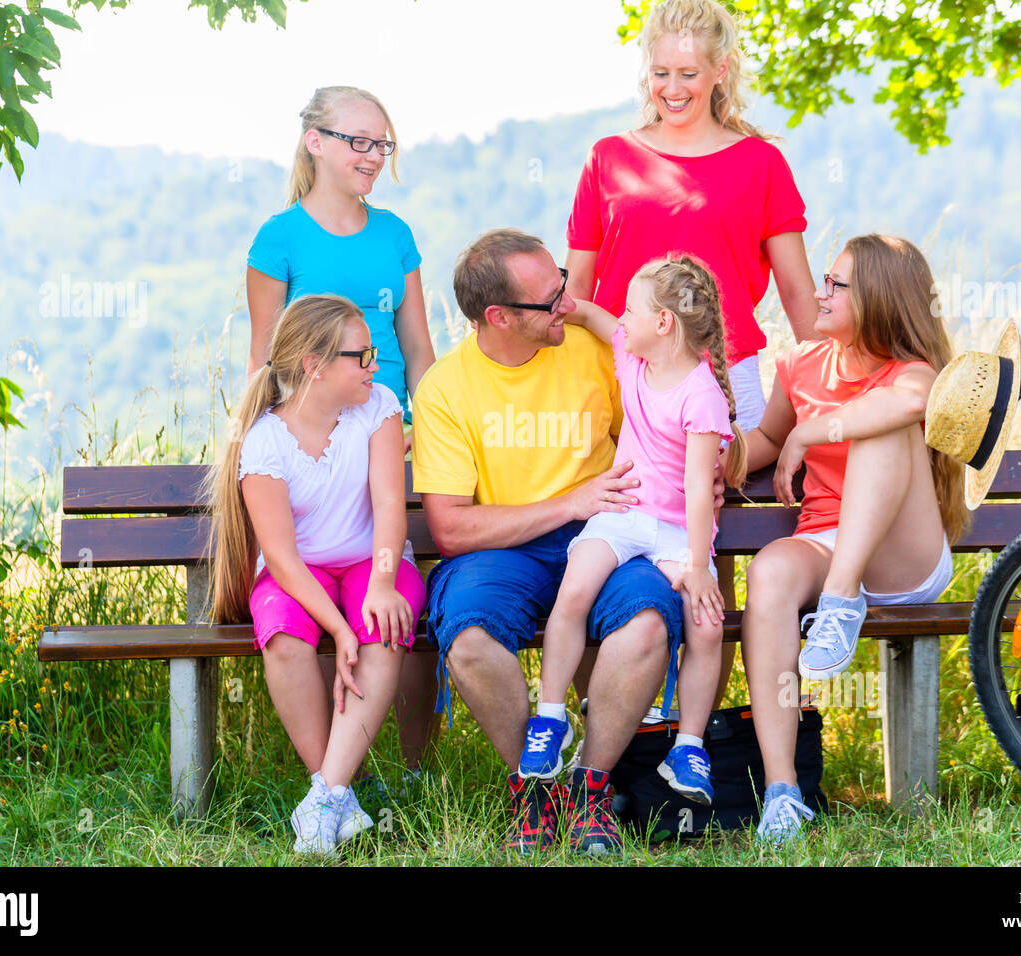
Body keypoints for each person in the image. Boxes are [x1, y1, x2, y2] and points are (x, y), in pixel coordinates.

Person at [412, 229, 692, 855]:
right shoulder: (446, 389)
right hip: (502, 551)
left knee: (647, 622)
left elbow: (660, 435)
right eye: (549, 299)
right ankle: (534, 790)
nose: (568, 302)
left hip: (608, 533)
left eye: (563, 282)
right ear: (499, 317)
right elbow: (453, 529)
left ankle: (590, 787)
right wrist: (567, 502)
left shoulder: (596, 351)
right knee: (470, 638)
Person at [740, 234, 969, 842]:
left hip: (900, 557)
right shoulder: (800, 365)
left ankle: (841, 601)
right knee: (767, 572)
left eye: (836, 284)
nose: (819, 291)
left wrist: (814, 430)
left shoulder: (914, 372)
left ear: (879, 300)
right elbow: (764, 440)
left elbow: (905, 406)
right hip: (825, 538)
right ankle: (783, 791)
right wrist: (711, 455)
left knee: (883, 423)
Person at [245, 85, 437, 771]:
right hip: (316, 436)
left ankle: (417, 774)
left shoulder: (395, 235)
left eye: (382, 144)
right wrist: (272, 444)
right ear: (315, 141)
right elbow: (264, 358)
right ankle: (339, 782)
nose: (373, 156)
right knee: (319, 602)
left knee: (398, 607)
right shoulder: (279, 238)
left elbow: (417, 350)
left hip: (390, 437)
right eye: (359, 141)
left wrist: (429, 432)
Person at [517, 255, 747, 810]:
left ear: (664, 323)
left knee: (706, 624)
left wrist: (698, 565)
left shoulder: (702, 396)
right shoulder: (633, 355)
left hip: (674, 530)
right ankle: (550, 719)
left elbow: (698, 491)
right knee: (575, 589)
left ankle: (689, 746)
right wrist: (569, 311)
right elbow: (601, 321)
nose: (623, 319)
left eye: (633, 309)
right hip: (623, 513)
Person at [208, 294, 426, 855]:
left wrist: (381, 581)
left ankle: (325, 798)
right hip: (300, 575)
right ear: (314, 364)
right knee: (282, 636)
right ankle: (336, 795)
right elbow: (280, 559)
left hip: (369, 562)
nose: (375, 365)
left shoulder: (378, 408)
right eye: (362, 355)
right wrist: (337, 628)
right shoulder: (264, 441)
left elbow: (389, 511)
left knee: (386, 621)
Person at [566, 0, 819, 433]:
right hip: (618, 377)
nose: (672, 88)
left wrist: (826, 391)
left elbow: (797, 291)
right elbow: (577, 288)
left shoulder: (761, 163)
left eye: (688, 74)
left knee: (729, 495)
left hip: (726, 377)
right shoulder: (607, 158)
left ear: (719, 70)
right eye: (661, 72)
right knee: (625, 501)